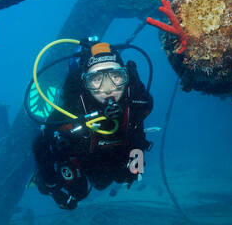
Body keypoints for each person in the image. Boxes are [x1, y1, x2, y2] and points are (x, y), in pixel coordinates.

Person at [32, 42, 154, 210]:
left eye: (116, 76)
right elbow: (41, 142)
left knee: (127, 176)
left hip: (115, 152)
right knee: (79, 192)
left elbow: (137, 129)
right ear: (85, 83)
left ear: (126, 78)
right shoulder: (72, 109)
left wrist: (137, 156)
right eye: (96, 79)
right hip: (82, 156)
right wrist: (52, 185)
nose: (108, 89)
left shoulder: (138, 102)